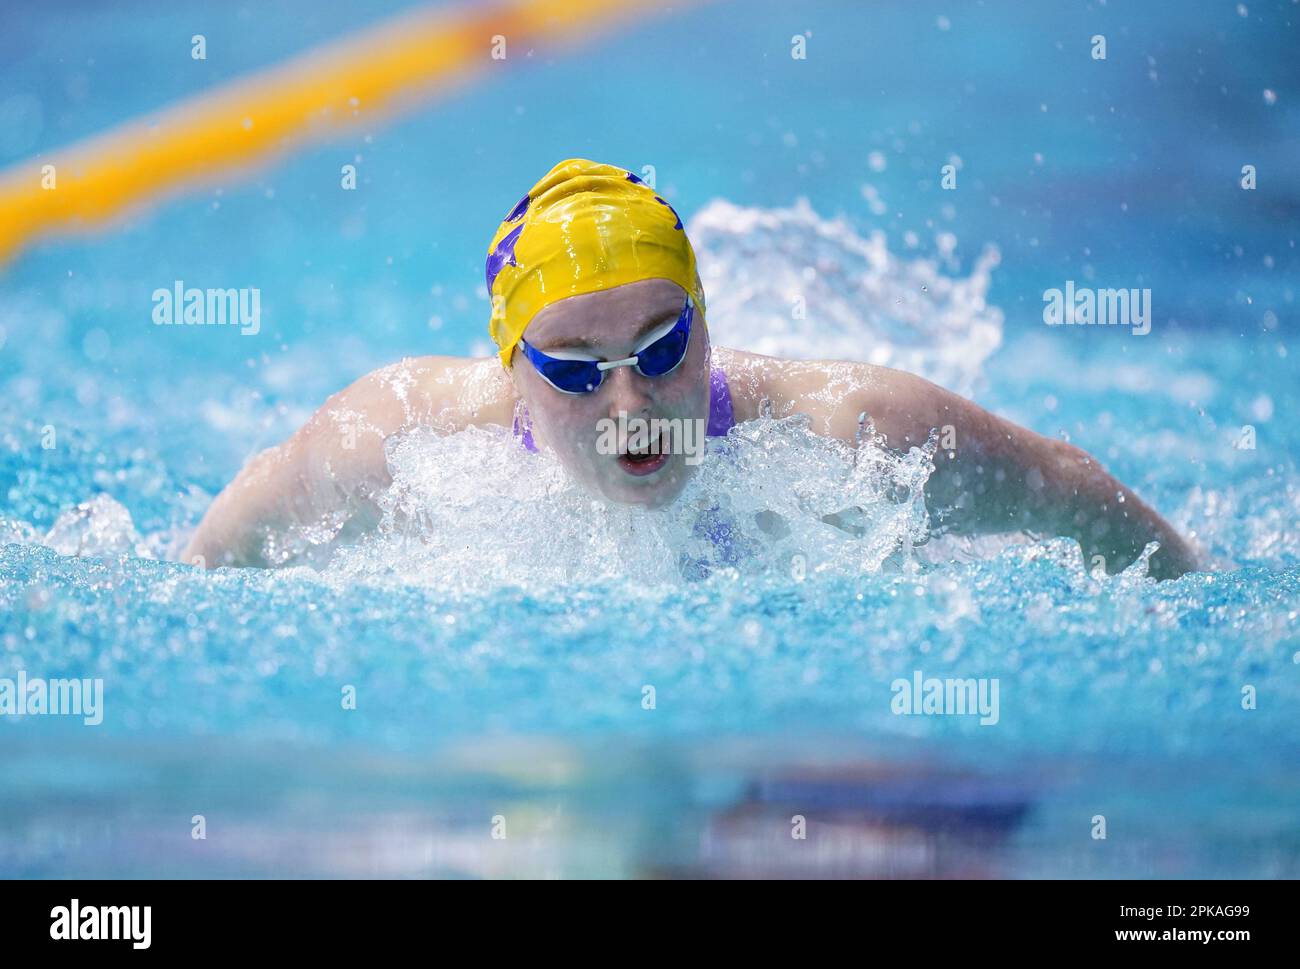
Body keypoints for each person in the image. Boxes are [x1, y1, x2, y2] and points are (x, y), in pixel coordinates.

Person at [181, 158, 1199, 579]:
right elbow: (204, 574)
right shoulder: (395, 439)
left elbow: (1070, 493)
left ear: (707, 329)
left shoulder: (853, 433)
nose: (629, 403)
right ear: (514, 371)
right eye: (576, 371)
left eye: (662, 350)